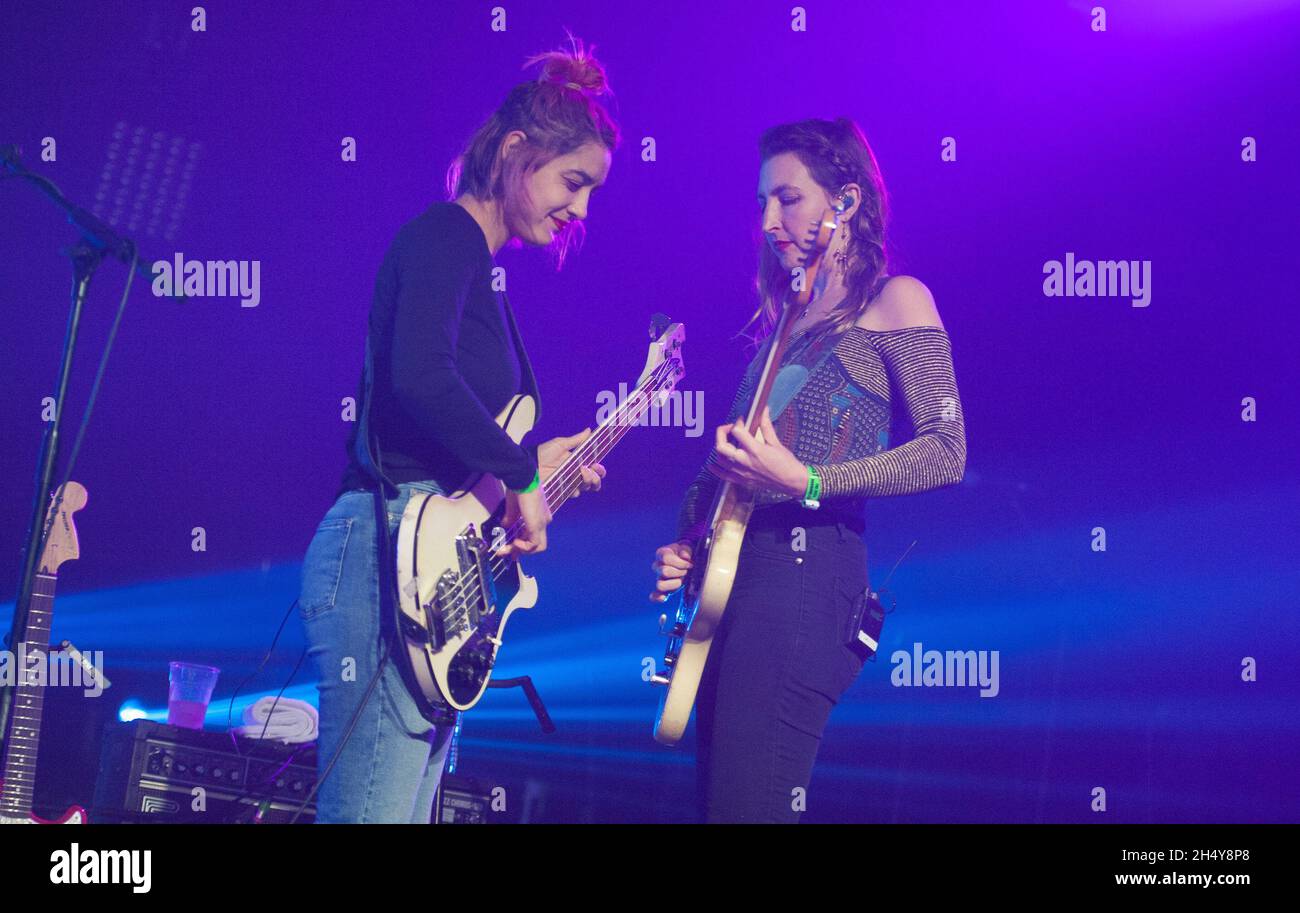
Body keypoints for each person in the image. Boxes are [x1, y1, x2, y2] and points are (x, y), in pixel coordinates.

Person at [298, 37, 619, 823]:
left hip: (424, 569)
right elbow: (419, 374)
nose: (580, 209)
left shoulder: (484, 276)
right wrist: (520, 474)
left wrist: (532, 463)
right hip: (380, 557)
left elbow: (442, 417)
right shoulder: (445, 236)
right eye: (573, 181)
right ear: (517, 151)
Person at [650, 117, 968, 823]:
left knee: (751, 806)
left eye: (787, 198)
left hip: (808, 580)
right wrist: (689, 541)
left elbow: (949, 449)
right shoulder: (781, 326)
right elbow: (723, 471)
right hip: (738, 579)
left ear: (845, 201)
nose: (767, 220)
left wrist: (810, 481)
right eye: (763, 201)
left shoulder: (896, 301)